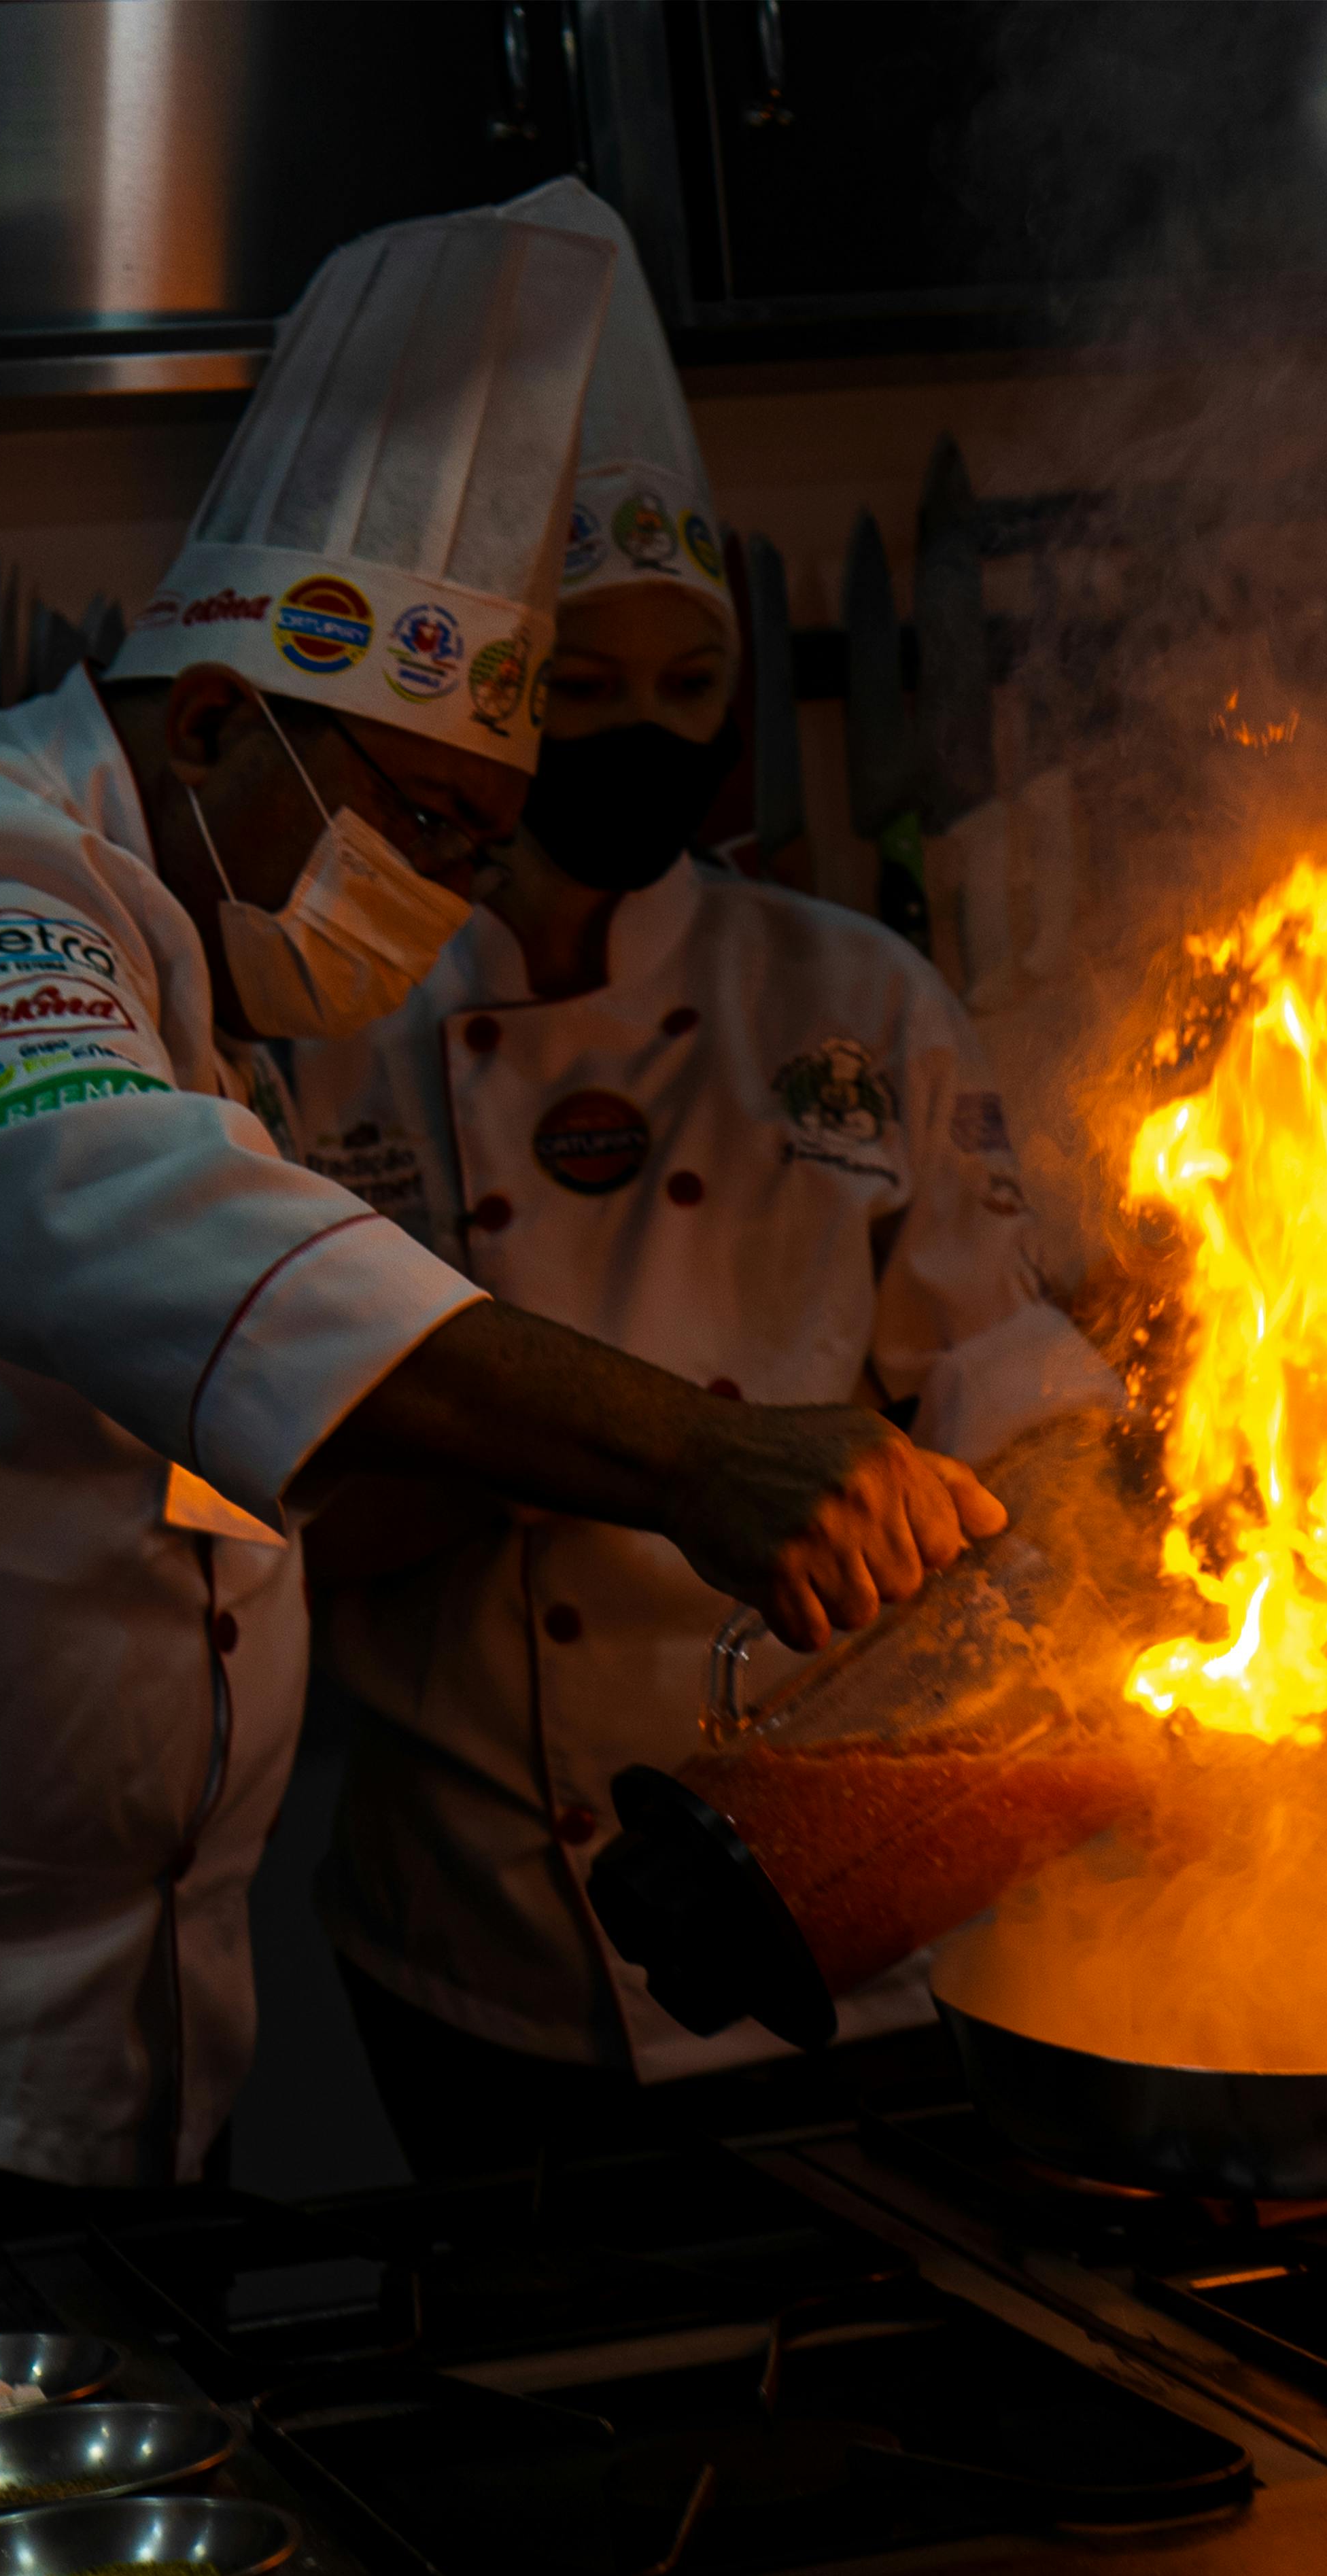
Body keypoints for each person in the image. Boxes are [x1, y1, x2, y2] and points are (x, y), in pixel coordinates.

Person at [0, 203, 1001, 2222]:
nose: (445, 900)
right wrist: (703, 1456)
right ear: (211, 721)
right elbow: (152, 1225)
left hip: (140, 2030)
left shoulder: (209, 954)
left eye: (477, 843)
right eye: (417, 827)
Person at [294, 182, 1114, 2176]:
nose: (641, 737)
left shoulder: (855, 996)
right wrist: (604, 1443)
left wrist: (1110, 1538)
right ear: (486, 699)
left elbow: (1004, 1372)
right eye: (583, 693)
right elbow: (299, 1513)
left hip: (860, 1886)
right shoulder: (333, 1022)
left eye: (684, 692)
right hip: (487, 1933)